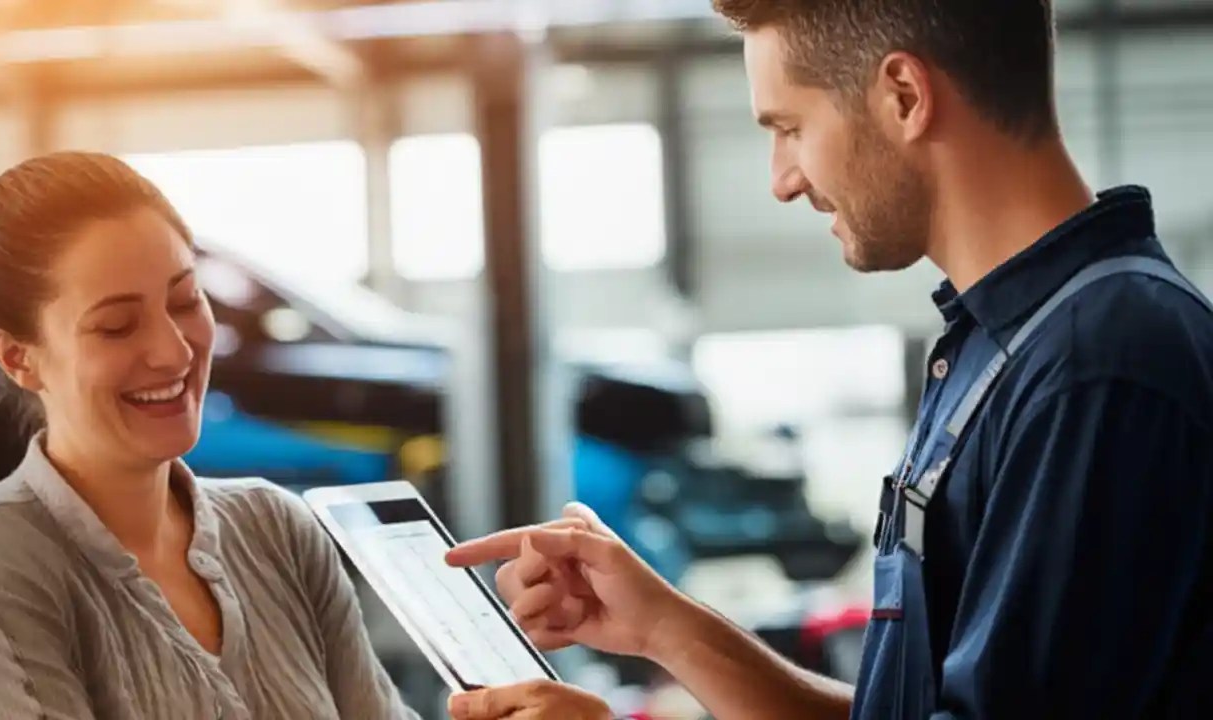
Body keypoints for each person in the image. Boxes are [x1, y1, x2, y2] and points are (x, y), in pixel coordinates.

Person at [443, 1, 1213, 718]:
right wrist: (667, 629)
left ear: (904, 96)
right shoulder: (1009, 345)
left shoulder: (1097, 370)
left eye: (790, 127)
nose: (782, 180)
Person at [0, 153, 419, 719]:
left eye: (186, 301)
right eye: (116, 326)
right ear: (18, 357)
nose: (174, 351)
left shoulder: (277, 527)